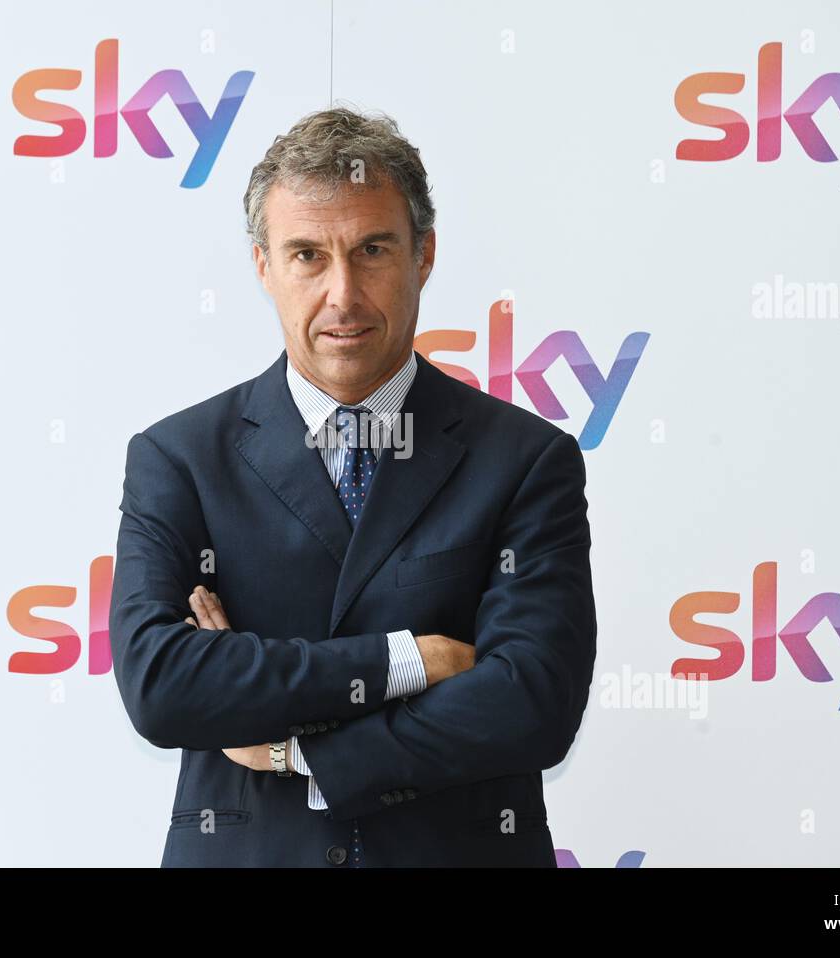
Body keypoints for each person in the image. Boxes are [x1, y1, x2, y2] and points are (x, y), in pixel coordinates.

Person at [108, 106, 596, 866]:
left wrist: (292, 750)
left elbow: (531, 701)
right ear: (263, 265)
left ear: (423, 255)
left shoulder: (527, 461)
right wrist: (409, 661)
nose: (343, 293)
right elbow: (163, 685)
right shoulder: (179, 459)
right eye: (307, 254)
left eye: (372, 249)